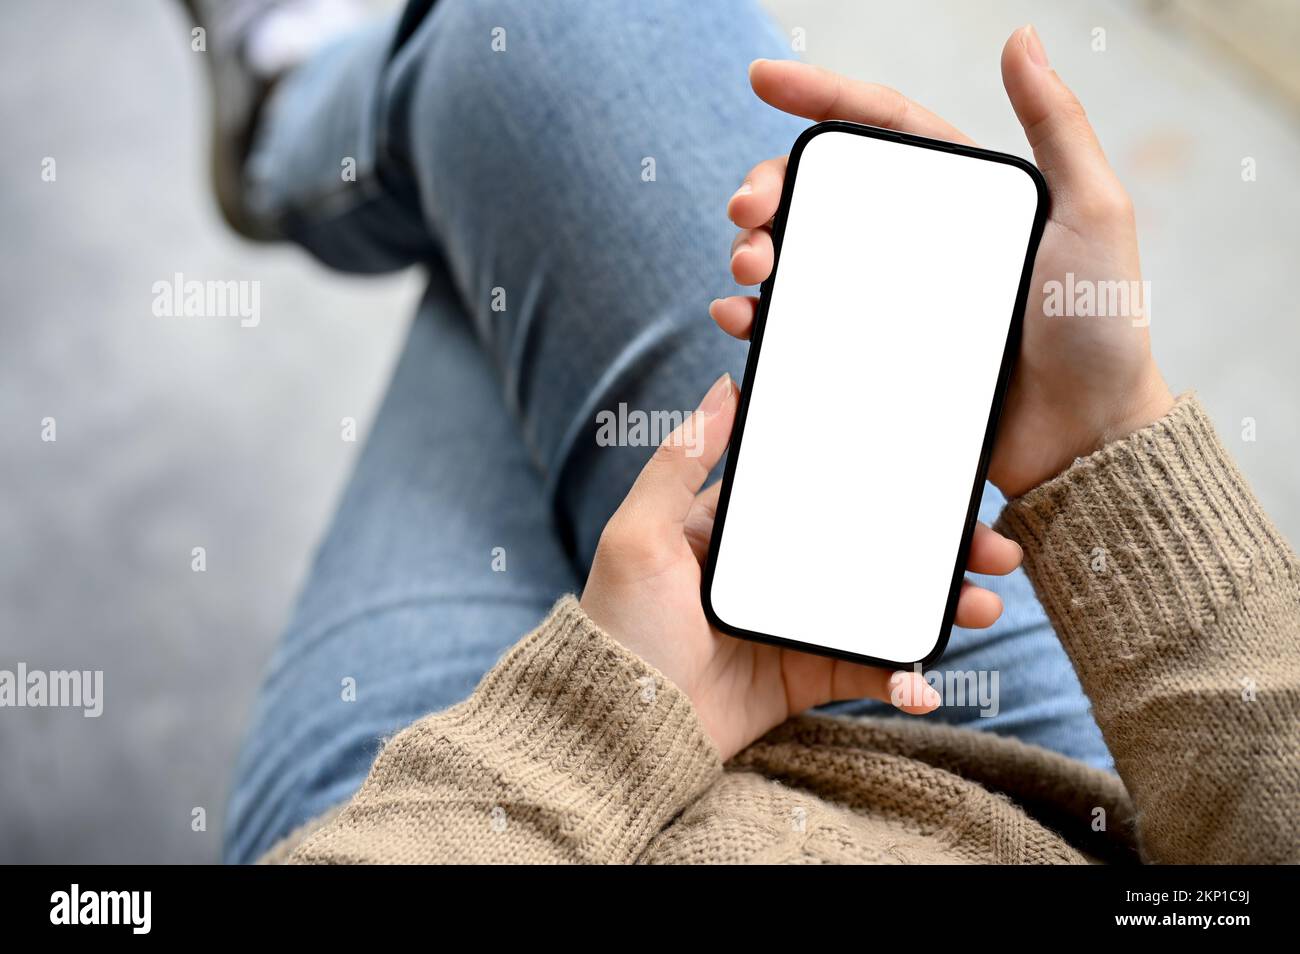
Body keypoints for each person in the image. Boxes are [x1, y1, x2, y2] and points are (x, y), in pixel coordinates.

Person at [191, 0, 1299, 864]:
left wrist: (598, 727)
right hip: (1037, 796)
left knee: (520, 100)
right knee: (520, 177)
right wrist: (1100, 440)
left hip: (480, 814)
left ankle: (290, 114)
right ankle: (377, 141)